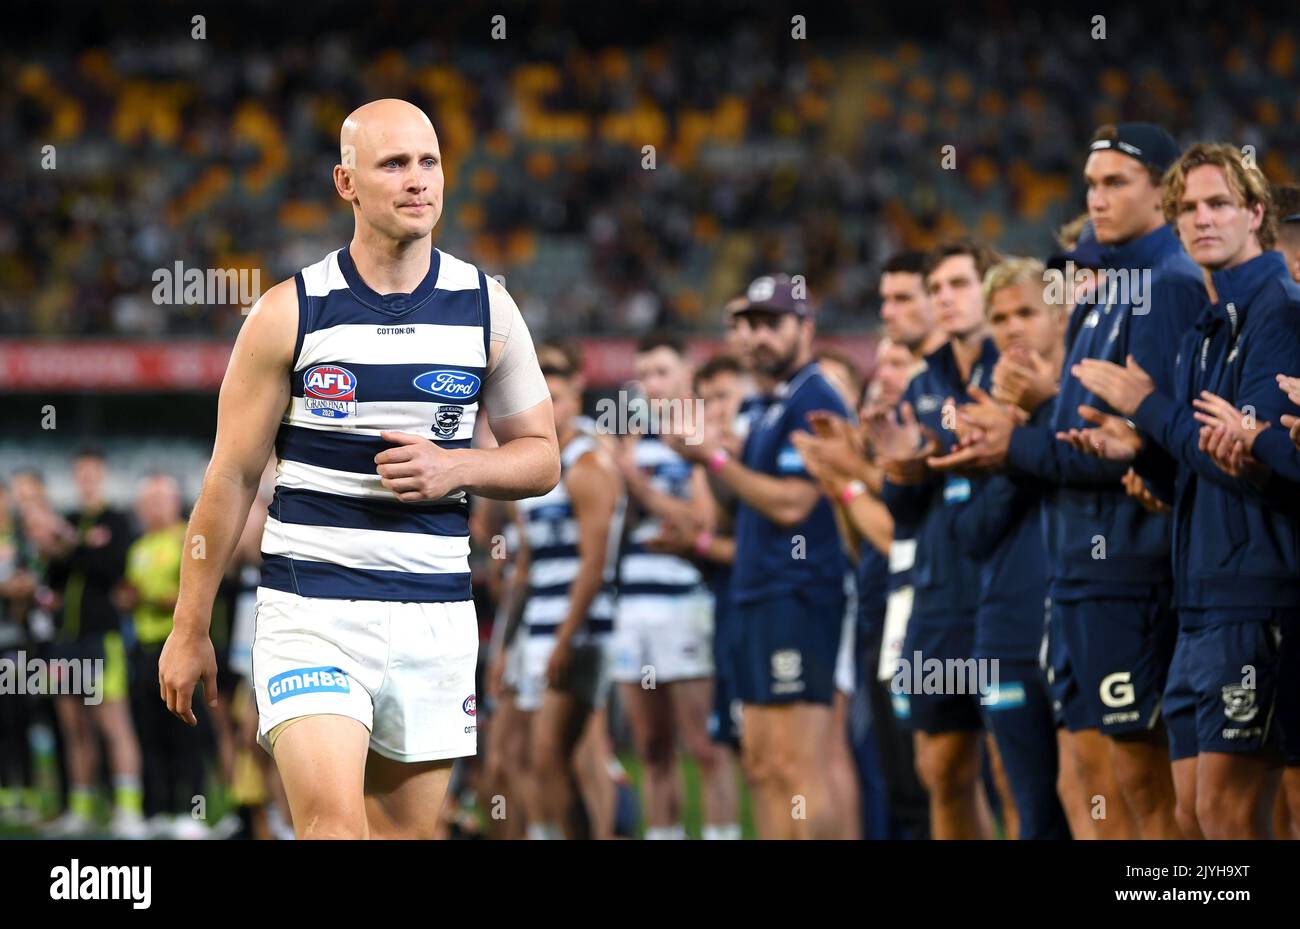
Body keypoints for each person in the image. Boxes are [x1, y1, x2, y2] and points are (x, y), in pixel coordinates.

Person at [158, 98, 559, 840]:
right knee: (334, 826)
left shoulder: (487, 308)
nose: (418, 181)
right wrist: (191, 625)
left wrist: (455, 467)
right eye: (394, 163)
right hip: (313, 609)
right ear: (346, 183)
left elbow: (542, 457)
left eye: (429, 161)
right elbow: (230, 478)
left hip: (435, 615)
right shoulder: (289, 312)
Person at [927, 125, 1204, 839]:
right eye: (1091, 183)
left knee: (1152, 789)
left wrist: (1010, 442)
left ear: (1162, 190)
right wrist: (1016, 438)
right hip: (1081, 577)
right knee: (1102, 786)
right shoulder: (1108, 295)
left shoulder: (1167, 286)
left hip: (1134, 574)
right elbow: (1074, 436)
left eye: (1117, 183)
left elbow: (1126, 448)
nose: (1099, 198)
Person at [1065, 143, 1300, 838]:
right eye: (1189, 208)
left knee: (1231, 813)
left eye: (1219, 203)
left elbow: (1253, 453)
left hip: (1255, 594)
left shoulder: (1279, 312)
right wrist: (1145, 452)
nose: (1202, 218)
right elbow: (1207, 454)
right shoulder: (1205, 327)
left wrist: (1149, 408)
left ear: (1256, 213)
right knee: (1194, 812)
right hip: (1200, 599)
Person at [671, 274, 850, 839]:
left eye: (772, 324)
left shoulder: (815, 398)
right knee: (764, 766)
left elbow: (795, 505)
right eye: (747, 325)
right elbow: (735, 507)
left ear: (806, 327)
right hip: (760, 596)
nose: (757, 338)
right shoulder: (776, 403)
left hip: (796, 596)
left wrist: (716, 460)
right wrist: (712, 456)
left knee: (797, 766)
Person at [934, 257, 1072, 838]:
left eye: (1026, 313)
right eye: (999, 317)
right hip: (1008, 631)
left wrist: (1024, 437)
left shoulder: (1092, 394)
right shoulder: (976, 410)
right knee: (1032, 807)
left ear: (1061, 315)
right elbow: (967, 532)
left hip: (1087, 622)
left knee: (1107, 794)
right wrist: (1017, 449)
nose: (1013, 327)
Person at [869, 240, 1001, 839]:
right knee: (940, 767)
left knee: (1013, 766)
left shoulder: (1015, 368)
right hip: (938, 592)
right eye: (938, 287)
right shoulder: (928, 380)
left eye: (958, 285)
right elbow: (906, 509)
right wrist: (900, 469)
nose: (946, 298)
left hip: (1005, 586)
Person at [611, 333, 738, 841]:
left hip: (686, 602)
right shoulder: (635, 437)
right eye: (644, 375)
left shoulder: (699, 436)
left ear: (687, 374)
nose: (651, 385)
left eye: (662, 372)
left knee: (704, 748)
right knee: (650, 750)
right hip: (634, 603)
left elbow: (703, 523)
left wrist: (641, 490)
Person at [512, 343, 623, 839]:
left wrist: (565, 636)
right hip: (541, 628)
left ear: (576, 400)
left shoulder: (587, 467)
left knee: (559, 754)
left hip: (577, 633)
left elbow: (595, 563)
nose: (551, 408)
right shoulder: (536, 469)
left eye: (558, 397)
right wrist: (507, 648)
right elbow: (526, 567)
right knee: (547, 757)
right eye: (543, 398)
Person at [40, 448, 145, 838]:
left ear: (101, 475)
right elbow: (54, 577)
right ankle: (81, 809)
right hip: (65, 639)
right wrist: (65, 546)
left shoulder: (116, 520)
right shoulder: (69, 520)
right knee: (75, 728)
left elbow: (110, 569)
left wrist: (71, 545)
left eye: (91, 473)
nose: (85, 480)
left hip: (102, 637)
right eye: (79, 474)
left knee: (114, 726)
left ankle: (128, 810)